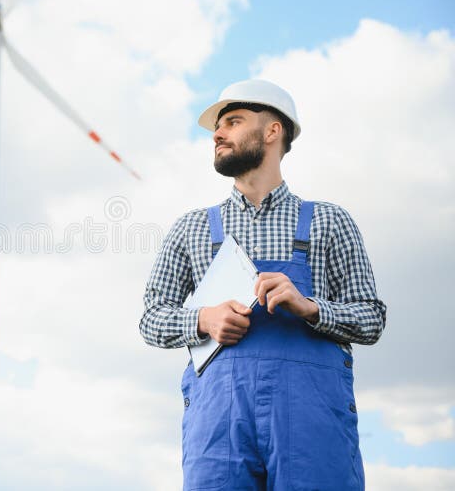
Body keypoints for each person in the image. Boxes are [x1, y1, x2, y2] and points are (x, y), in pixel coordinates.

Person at [139, 79, 386, 491]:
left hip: (312, 426)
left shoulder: (330, 221)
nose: (218, 134)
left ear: (273, 131)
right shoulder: (192, 229)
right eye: (218, 127)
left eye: (233, 122)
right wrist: (204, 318)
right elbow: (150, 318)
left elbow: (371, 317)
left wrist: (311, 307)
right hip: (220, 427)